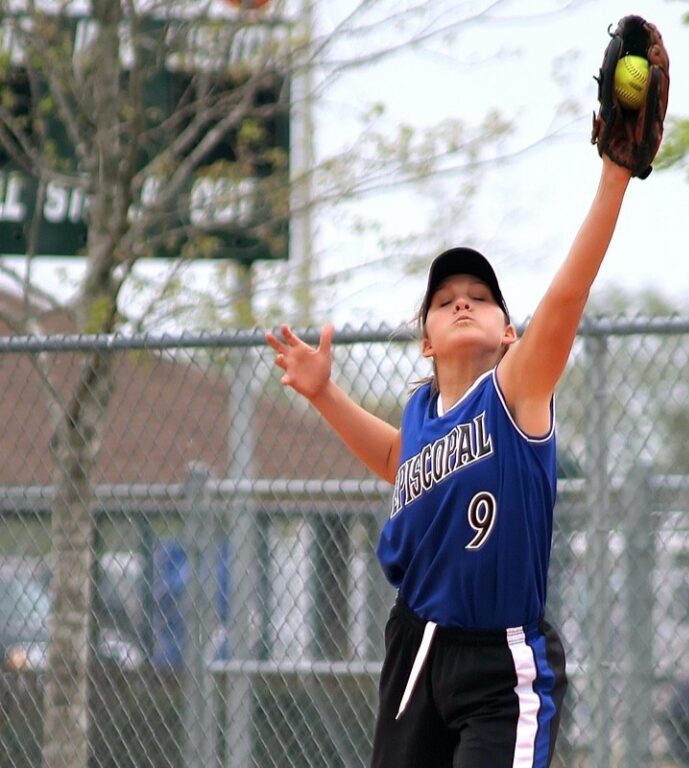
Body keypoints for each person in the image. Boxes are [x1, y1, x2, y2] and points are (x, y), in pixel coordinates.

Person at [265, 152, 633, 768]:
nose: (463, 303)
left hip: (499, 665)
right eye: (445, 300)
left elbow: (567, 298)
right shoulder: (422, 413)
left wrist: (614, 179)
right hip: (415, 649)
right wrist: (325, 393)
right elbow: (397, 459)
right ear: (426, 341)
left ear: (510, 332)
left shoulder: (516, 392)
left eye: (481, 297)